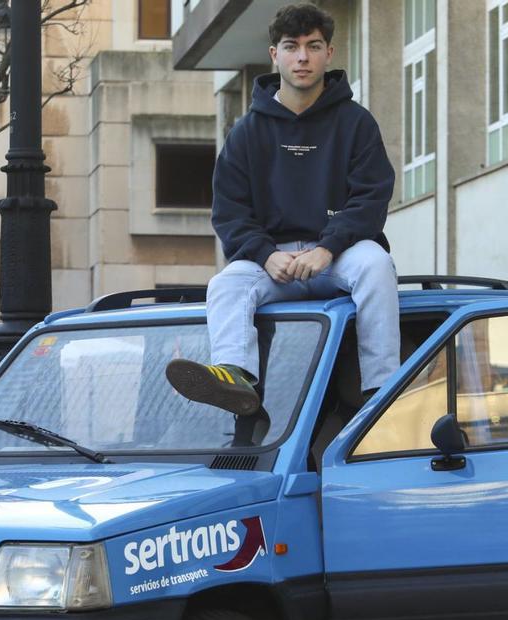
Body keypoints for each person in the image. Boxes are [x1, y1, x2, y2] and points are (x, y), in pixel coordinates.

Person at [166, 3, 400, 417]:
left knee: (376, 264)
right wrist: (265, 255)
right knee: (226, 285)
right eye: (291, 47)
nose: (303, 57)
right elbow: (230, 212)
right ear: (275, 54)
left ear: (329, 52)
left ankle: (381, 388)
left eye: (313, 46)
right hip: (272, 262)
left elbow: (371, 198)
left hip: (337, 257)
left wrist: (326, 249)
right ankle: (235, 376)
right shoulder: (246, 132)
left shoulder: (356, 123)